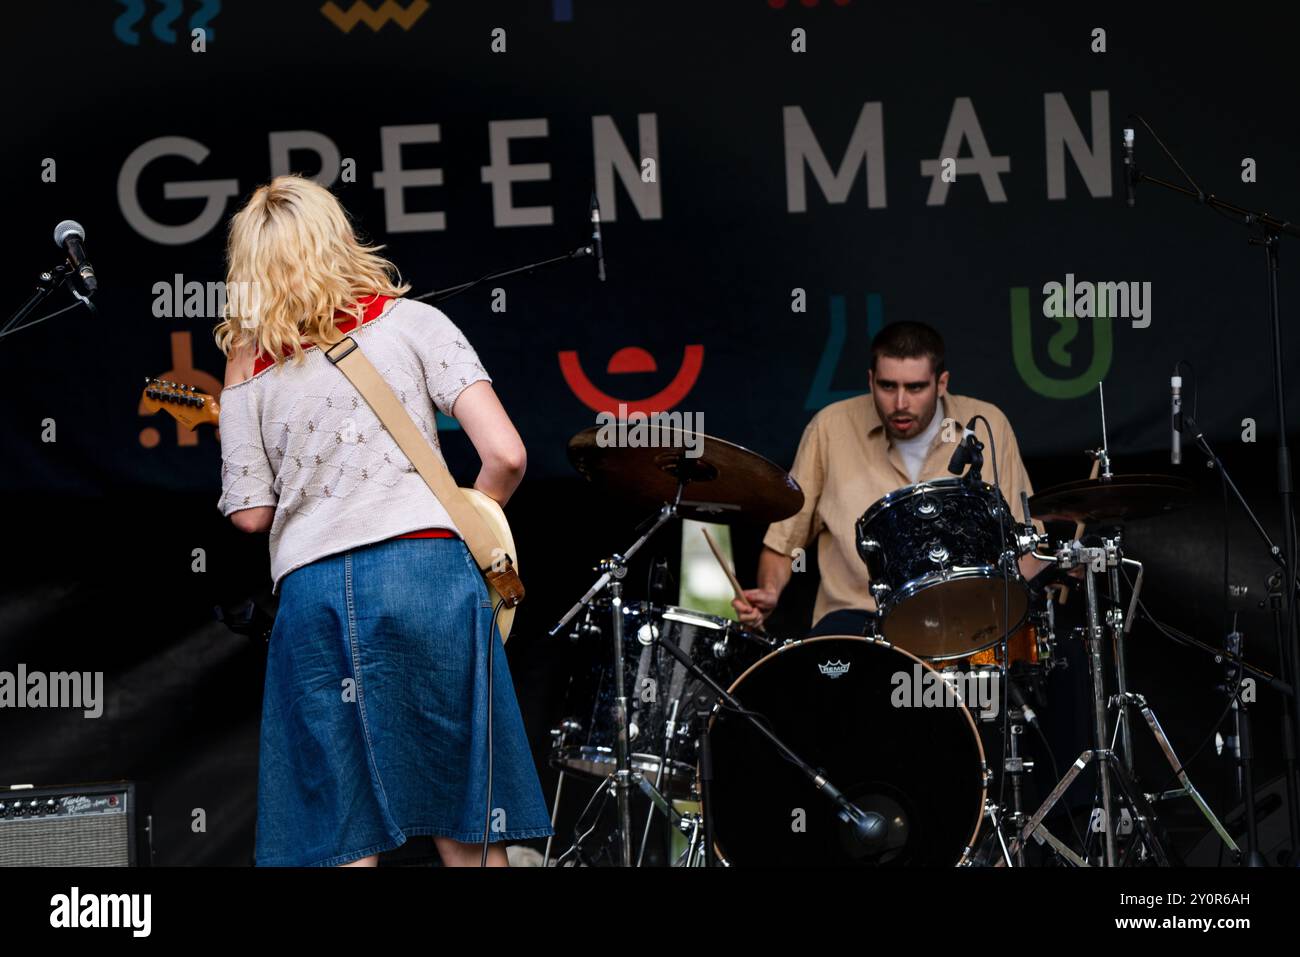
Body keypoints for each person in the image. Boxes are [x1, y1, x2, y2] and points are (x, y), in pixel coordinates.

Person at [213, 175, 552, 867]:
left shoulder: (249, 367)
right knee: (469, 826)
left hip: (310, 600)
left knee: (341, 837)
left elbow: (251, 513)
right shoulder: (414, 322)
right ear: (338, 237)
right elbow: (507, 454)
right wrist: (472, 526)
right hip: (424, 575)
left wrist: (239, 384)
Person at [734, 321, 1046, 638]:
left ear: (942, 383)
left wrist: (999, 609)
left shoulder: (988, 423)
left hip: (964, 623)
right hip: (857, 624)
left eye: (915, 388)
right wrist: (770, 590)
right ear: (870, 381)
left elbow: (1027, 542)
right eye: (887, 386)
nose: (900, 403)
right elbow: (784, 543)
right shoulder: (830, 428)